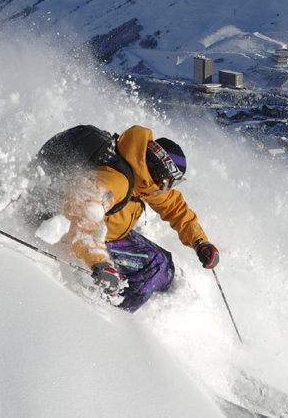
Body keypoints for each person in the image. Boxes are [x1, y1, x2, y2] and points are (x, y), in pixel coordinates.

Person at [59, 126, 220, 312]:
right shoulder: (117, 181)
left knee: (165, 265)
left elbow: (175, 207)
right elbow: (80, 216)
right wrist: (100, 263)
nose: (171, 188)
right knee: (156, 267)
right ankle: (112, 312)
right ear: (162, 171)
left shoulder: (143, 178)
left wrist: (199, 242)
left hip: (112, 233)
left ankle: (146, 291)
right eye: (173, 181)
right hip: (79, 238)